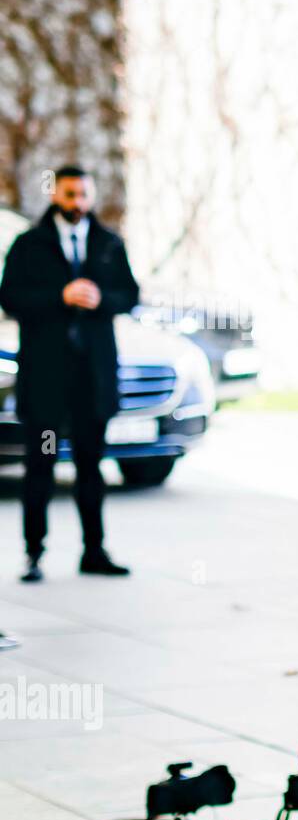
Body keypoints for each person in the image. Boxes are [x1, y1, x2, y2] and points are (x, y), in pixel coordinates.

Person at [0, 166, 136, 582]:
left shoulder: (108, 244)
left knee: (91, 467)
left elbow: (129, 294)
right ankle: (34, 553)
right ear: (55, 195)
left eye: (83, 195)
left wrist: (102, 299)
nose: (77, 202)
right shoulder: (29, 245)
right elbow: (10, 298)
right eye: (70, 194)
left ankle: (94, 551)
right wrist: (59, 297)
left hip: (91, 383)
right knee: (41, 465)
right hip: (46, 384)